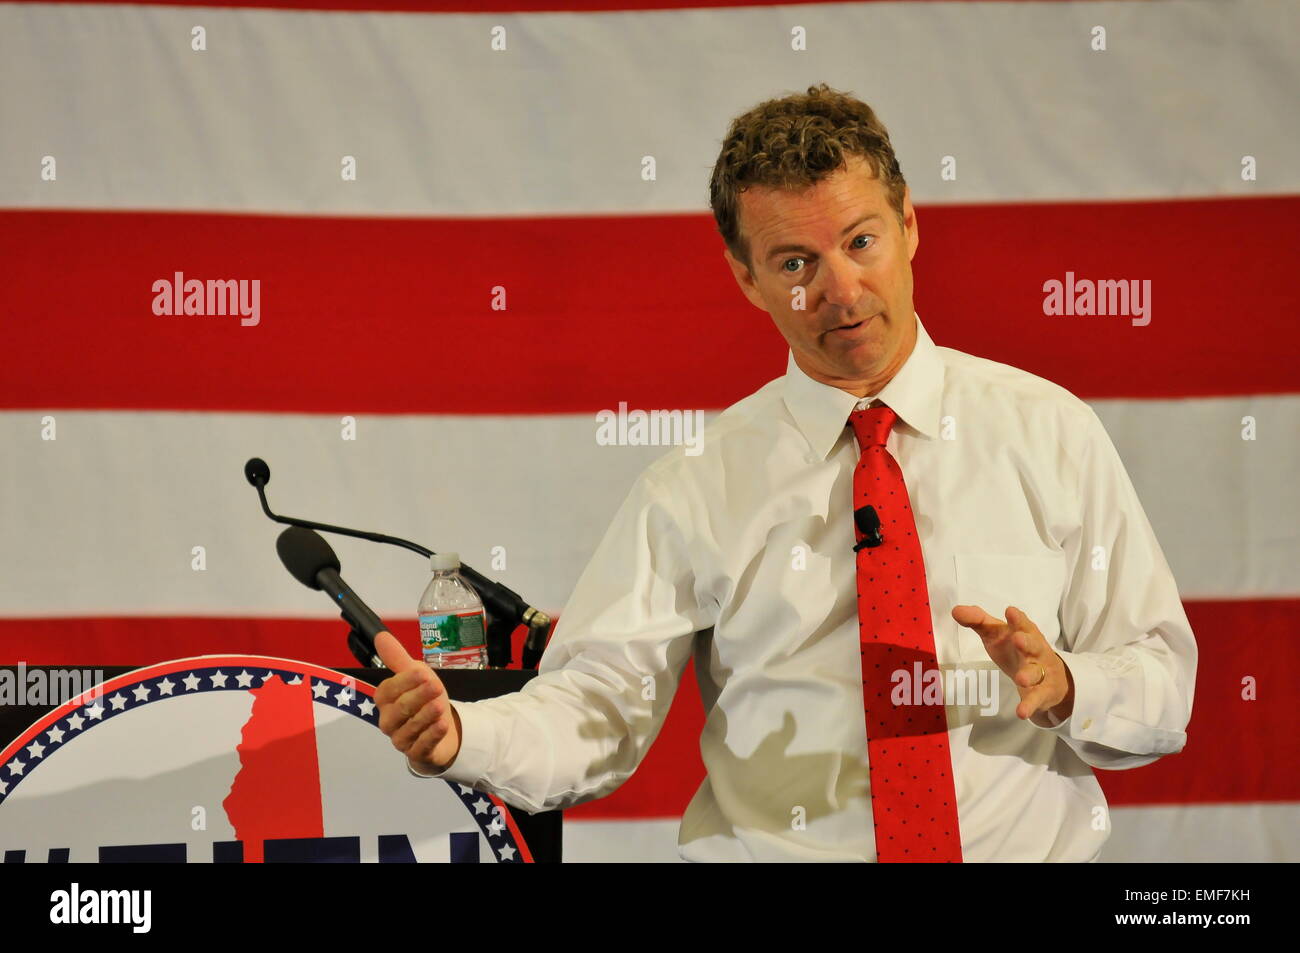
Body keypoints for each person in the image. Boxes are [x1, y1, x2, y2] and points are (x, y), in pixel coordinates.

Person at [373, 83, 1197, 862]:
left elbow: (1161, 683)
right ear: (746, 277)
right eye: (796, 262)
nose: (840, 289)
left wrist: (1066, 686)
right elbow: (598, 707)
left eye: (861, 242)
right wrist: (464, 737)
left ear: (910, 225)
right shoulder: (694, 485)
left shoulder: (1050, 431)